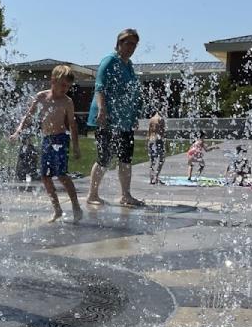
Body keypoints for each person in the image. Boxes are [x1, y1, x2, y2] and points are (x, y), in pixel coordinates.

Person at [10, 64, 83, 223]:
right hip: (47, 139)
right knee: (45, 176)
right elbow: (28, 117)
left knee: (62, 175)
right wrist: (17, 132)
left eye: (68, 86)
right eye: (63, 85)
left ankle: (76, 206)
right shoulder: (41, 97)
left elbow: (72, 124)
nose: (65, 89)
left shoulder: (67, 101)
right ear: (53, 80)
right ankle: (57, 209)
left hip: (61, 139)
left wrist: (76, 146)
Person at [86, 28, 144, 207]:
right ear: (119, 44)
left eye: (134, 44)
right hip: (108, 119)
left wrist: (134, 115)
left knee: (126, 158)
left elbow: (133, 93)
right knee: (104, 157)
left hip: (124, 121)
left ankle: (126, 195)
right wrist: (102, 110)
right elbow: (99, 87)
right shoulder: (109, 61)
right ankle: (92, 195)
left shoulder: (129, 65)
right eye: (128, 43)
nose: (131, 47)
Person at [146, 110, 166, 185]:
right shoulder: (161, 119)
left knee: (152, 160)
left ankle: (151, 179)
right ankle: (156, 177)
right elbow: (162, 132)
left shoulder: (151, 119)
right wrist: (165, 144)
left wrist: (147, 142)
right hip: (158, 139)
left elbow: (149, 131)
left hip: (151, 139)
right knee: (162, 159)